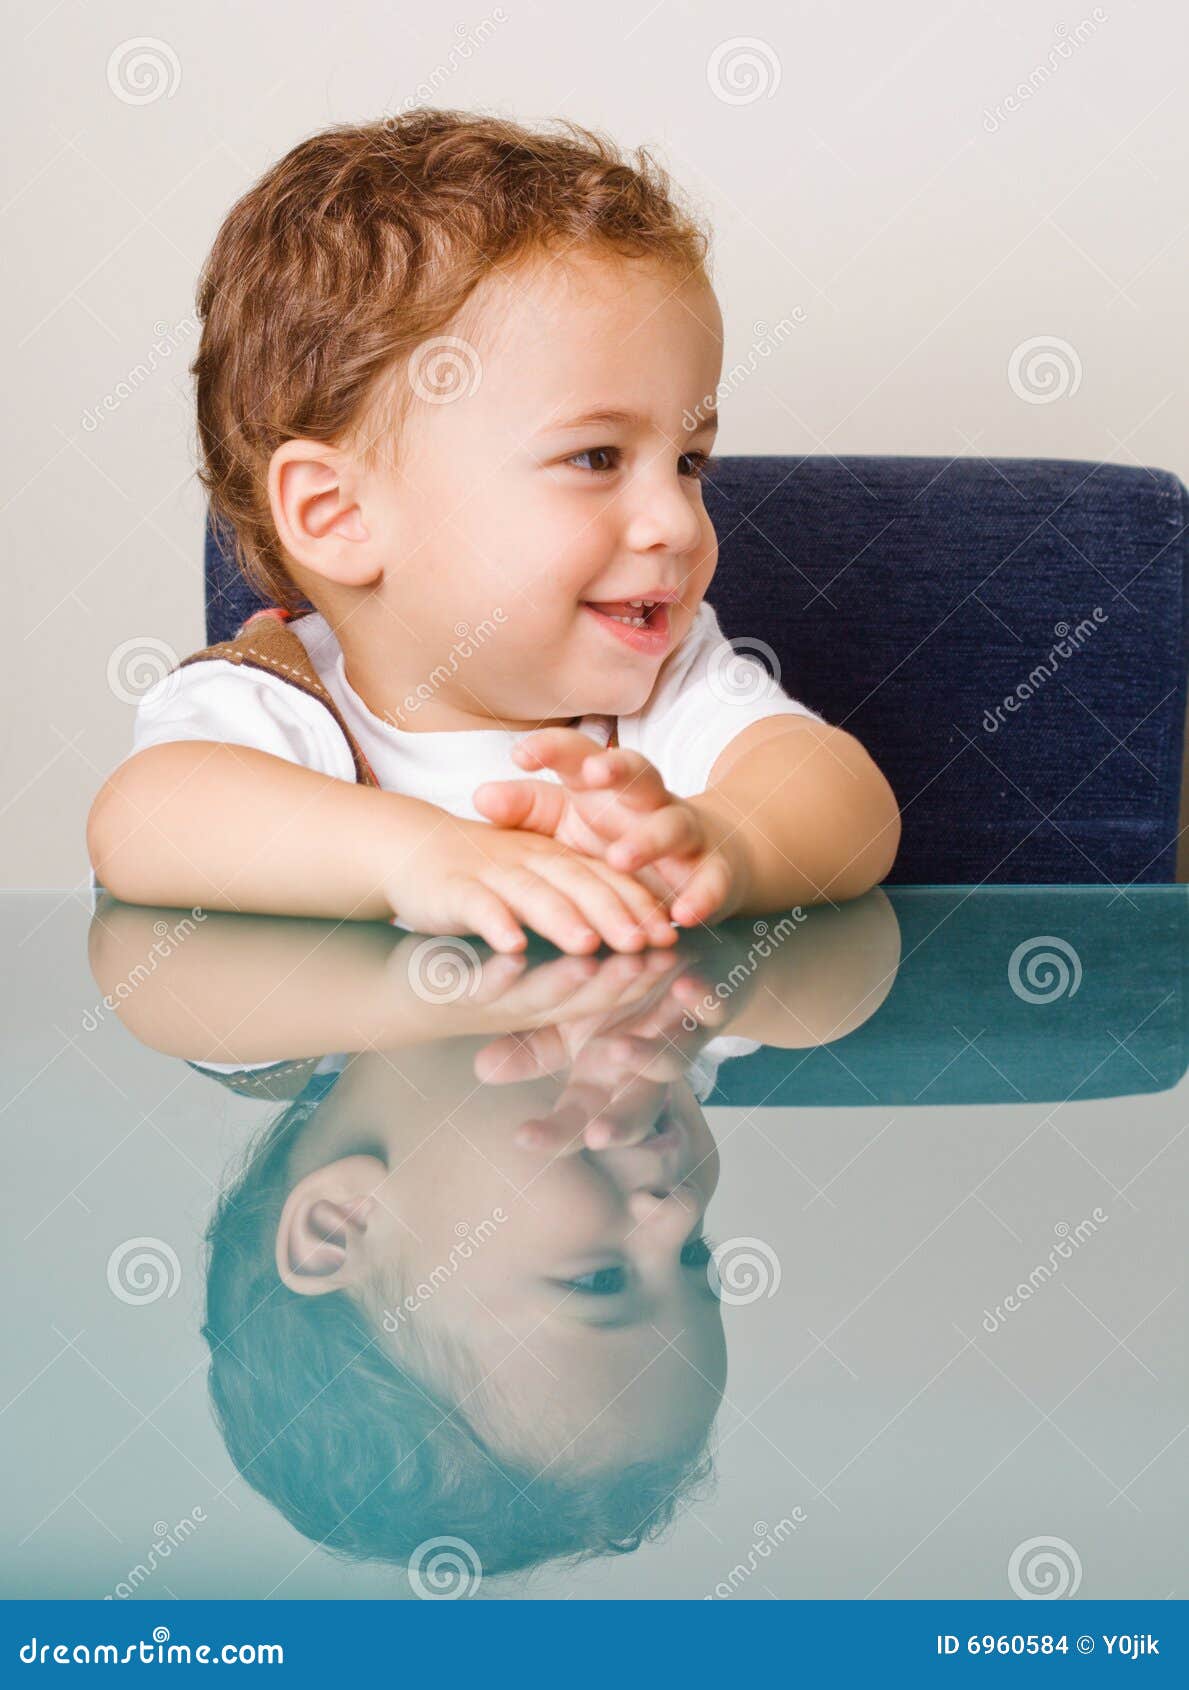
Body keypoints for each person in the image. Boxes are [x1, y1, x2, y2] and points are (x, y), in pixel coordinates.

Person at [87, 109, 901, 951]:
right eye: (594, 457)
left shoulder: (665, 681)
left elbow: (845, 801)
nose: (676, 524)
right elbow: (140, 820)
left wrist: (726, 844)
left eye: (690, 463)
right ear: (340, 514)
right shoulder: (274, 708)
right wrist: (422, 858)